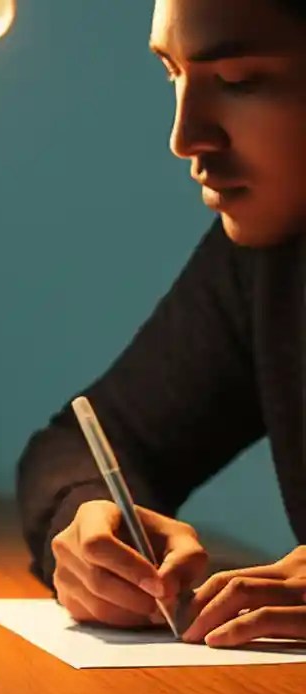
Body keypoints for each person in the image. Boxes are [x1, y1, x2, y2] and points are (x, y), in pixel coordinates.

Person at [16, 0, 306, 649]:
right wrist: (97, 525)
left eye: (238, 80)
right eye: (172, 73)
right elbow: (85, 442)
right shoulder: (265, 263)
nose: (186, 136)